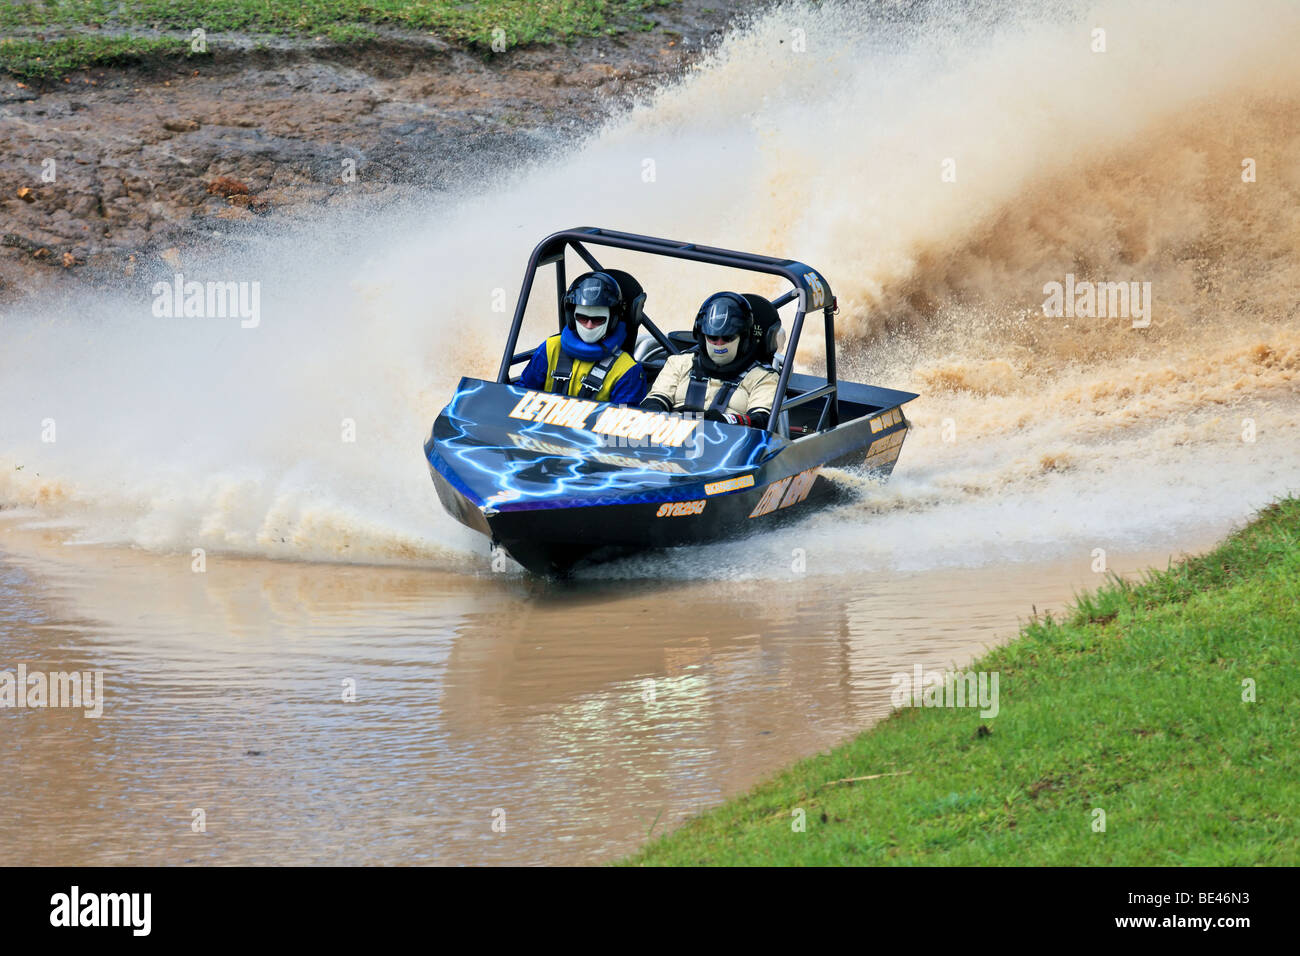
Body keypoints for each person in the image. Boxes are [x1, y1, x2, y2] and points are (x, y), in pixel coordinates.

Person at [639, 292, 779, 428]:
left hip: (728, 445)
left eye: (728, 337)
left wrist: (724, 421)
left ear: (743, 338)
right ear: (701, 336)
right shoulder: (679, 363)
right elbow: (654, 400)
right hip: (672, 440)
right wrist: (658, 415)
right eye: (712, 337)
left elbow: (761, 421)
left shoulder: (764, 377)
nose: (719, 343)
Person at [519, 271, 649, 405]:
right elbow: (520, 397)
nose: (589, 325)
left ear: (613, 320)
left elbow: (622, 422)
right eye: (582, 318)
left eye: (598, 320)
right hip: (540, 425)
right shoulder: (550, 348)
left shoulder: (628, 370)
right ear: (571, 317)